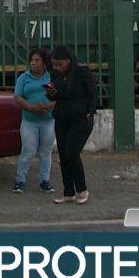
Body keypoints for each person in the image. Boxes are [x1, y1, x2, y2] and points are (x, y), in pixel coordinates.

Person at [49, 45, 98, 205]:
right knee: (63, 155)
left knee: (72, 153)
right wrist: (50, 93)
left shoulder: (82, 73)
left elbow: (93, 94)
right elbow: (55, 96)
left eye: (60, 64)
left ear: (69, 62)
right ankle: (68, 191)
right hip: (62, 118)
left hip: (81, 119)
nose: (56, 68)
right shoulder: (55, 76)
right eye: (54, 64)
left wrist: (90, 111)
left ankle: (82, 189)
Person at [13, 48, 55, 194]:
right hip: (29, 120)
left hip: (48, 120)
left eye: (37, 60)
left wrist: (49, 105)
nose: (33, 63)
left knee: (45, 151)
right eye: (32, 60)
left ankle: (44, 181)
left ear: (44, 63)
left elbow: (58, 95)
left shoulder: (51, 77)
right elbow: (18, 97)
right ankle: (20, 181)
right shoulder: (24, 78)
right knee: (28, 151)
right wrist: (30, 107)